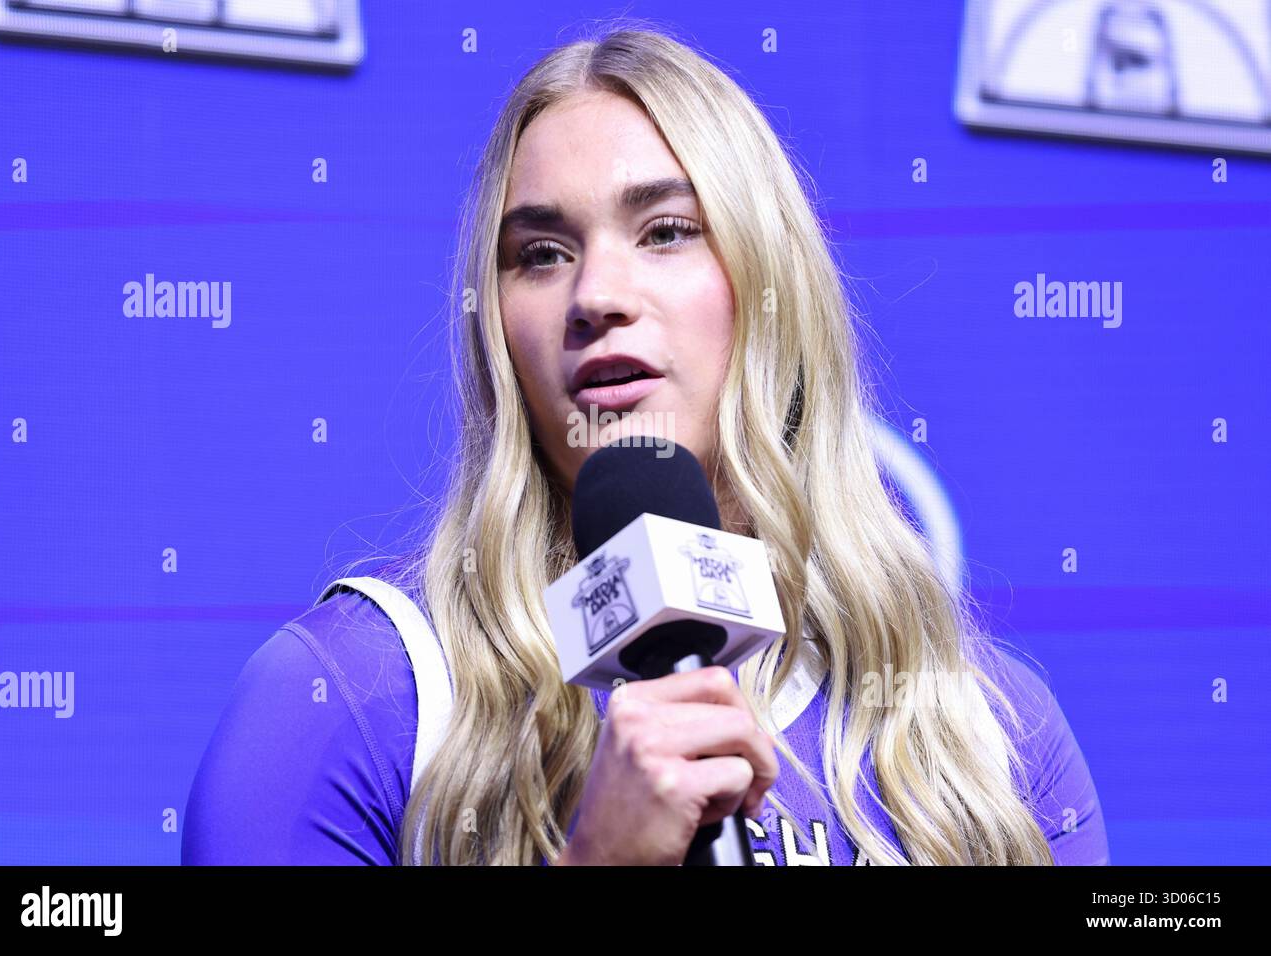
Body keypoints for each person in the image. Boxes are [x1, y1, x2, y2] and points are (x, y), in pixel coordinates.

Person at [181, 22, 1109, 867]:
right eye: (540, 252)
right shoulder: (352, 698)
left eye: (665, 232)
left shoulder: (979, 736)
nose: (597, 295)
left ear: (768, 285)